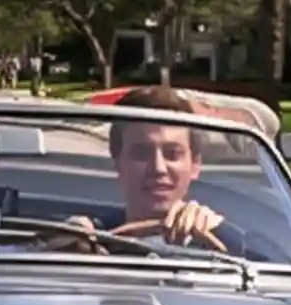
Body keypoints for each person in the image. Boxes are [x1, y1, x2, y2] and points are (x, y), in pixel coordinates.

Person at [68, 86, 225, 247]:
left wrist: (216, 232)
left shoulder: (228, 240)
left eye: (172, 154)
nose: (159, 168)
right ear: (117, 161)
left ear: (195, 164)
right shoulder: (90, 237)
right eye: (141, 154)